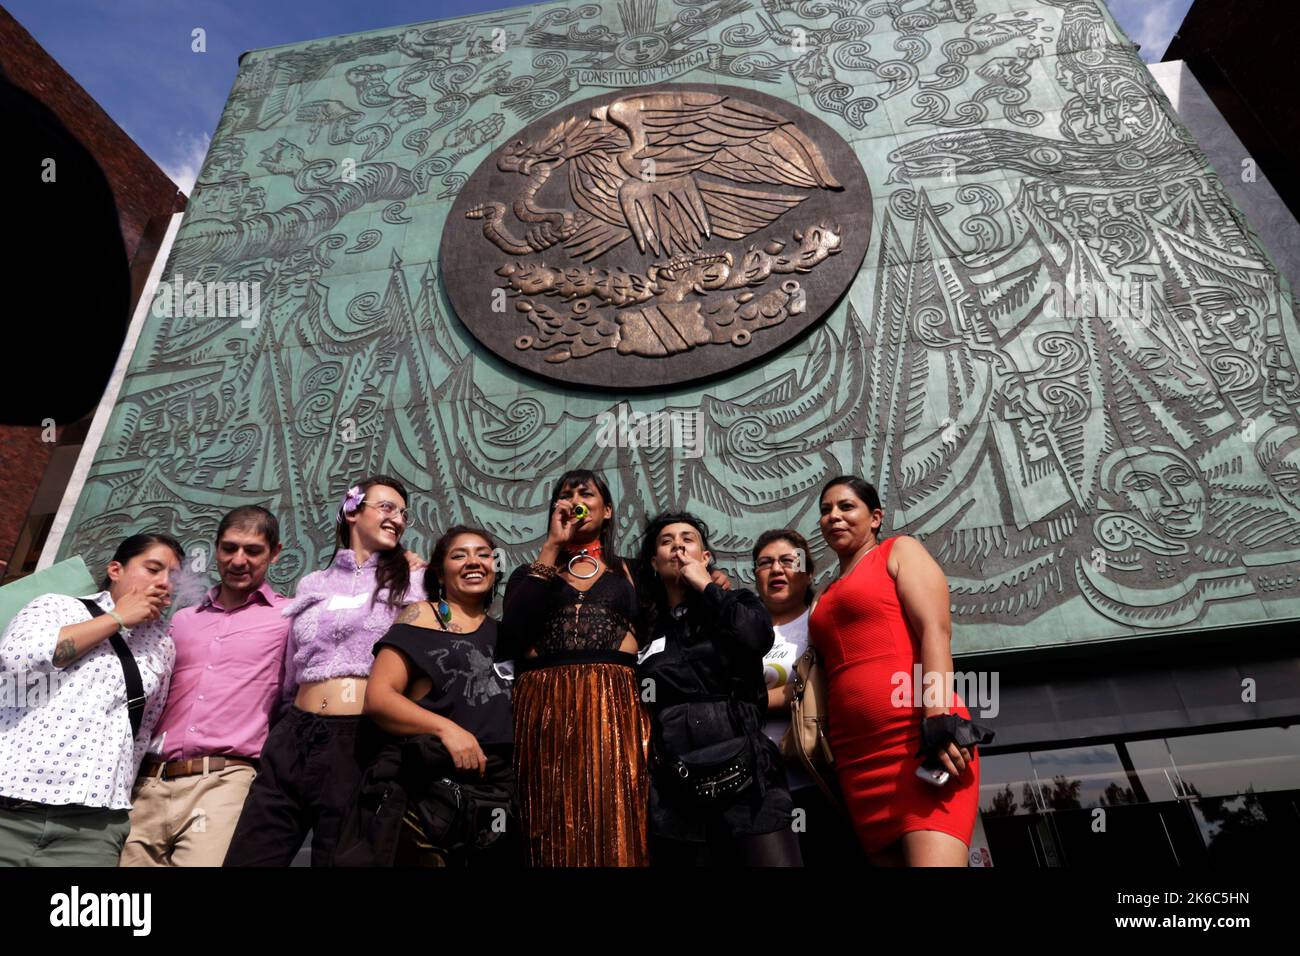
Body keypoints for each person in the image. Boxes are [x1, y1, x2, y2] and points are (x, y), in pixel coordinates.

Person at [224, 475, 426, 866]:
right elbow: (291, 663)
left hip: (363, 738)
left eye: (403, 513)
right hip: (294, 736)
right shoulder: (312, 583)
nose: (397, 519)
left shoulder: (414, 580)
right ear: (352, 510)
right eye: (386, 508)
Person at [809, 475, 987, 867]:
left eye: (845, 507)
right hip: (857, 759)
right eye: (825, 511)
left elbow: (936, 631)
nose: (833, 516)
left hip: (917, 743)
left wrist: (938, 719)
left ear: (875, 518)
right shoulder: (822, 594)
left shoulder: (899, 551)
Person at [121, 507, 290, 866]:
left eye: (253, 550)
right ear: (215, 549)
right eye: (229, 548)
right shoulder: (181, 621)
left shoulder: (287, 620)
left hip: (222, 782)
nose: (238, 560)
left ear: (274, 552)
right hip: (149, 783)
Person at [499, 469, 650, 866]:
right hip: (543, 705)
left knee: (610, 815)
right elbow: (510, 635)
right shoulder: (530, 572)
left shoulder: (634, 572)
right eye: (565, 495)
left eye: (585, 493)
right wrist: (552, 546)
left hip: (611, 706)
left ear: (608, 511)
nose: (574, 499)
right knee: (547, 818)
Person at [0, 533, 180, 866]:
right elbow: (19, 661)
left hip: (92, 828)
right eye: (153, 569)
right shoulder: (57, 606)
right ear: (116, 570)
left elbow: (142, 731)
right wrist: (116, 619)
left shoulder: (162, 645)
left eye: (172, 576)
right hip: (10, 808)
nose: (164, 583)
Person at [637, 513, 801, 866]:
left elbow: (756, 637)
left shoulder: (735, 602)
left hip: (749, 779)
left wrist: (706, 587)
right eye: (666, 541)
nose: (677, 545)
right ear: (654, 562)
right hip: (677, 789)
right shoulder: (646, 626)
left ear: (705, 557)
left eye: (688, 539)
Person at [349, 525, 516, 866]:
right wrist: (447, 729)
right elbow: (379, 698)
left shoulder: (504, 634)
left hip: (495, 792)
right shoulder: (423, 615)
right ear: (440, 572)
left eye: (483, 554)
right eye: (459, 555)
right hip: (429, 789)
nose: (473, 562)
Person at [752, 528, 864, 866]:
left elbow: (831, 685)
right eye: (765, 563)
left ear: (808, 571)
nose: (776, 569)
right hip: (761, 788)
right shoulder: (741, 631)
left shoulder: (822, 620)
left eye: (788, 561)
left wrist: (755, 699)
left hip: (821, 778)